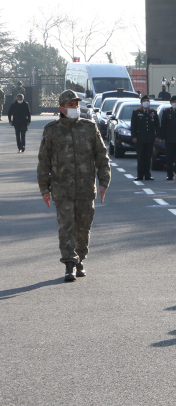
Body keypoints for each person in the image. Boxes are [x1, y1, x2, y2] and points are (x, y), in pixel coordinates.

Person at [37, 90, 110, 281]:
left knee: (83, 227)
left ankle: (80, 259)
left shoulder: (89, 127)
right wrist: (44, 188)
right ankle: (69, 263)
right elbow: (43, 161)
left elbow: (102, 155)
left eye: (76, 105)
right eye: (70, 105)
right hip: (62, 189)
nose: (75, 108)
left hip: (86, 188)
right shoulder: (51, 130)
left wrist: (104, 181)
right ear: (61, 108)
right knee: (66, 226)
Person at [130, 94, 160, 181]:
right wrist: (134, 136)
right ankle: (140, 175)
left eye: (147, 101)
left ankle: (147, 175)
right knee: (140, 157)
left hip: (150, 138)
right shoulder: (136, 112)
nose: (146, 102)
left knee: (148, 157)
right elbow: (133, 126)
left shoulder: (153, 112)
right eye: (144, 101)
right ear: (141, 103)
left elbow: (157, 125)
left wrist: (157, 136)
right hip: (140, 138)